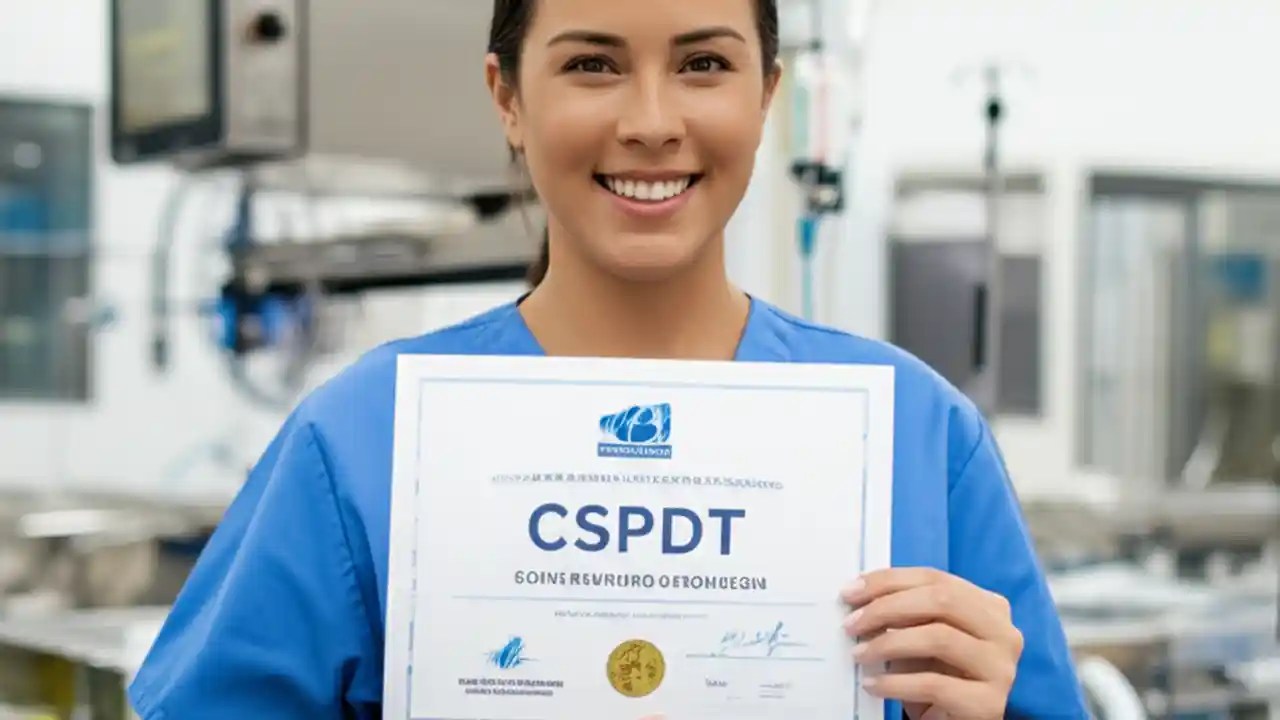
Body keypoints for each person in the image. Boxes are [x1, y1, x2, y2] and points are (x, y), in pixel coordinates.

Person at [127, 0, 1088, 718]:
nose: (651, 121)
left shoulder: (918, 436)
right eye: (593, 64)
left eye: (704, 63)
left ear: (767, 95)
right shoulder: (361, 439)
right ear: (508, 97)